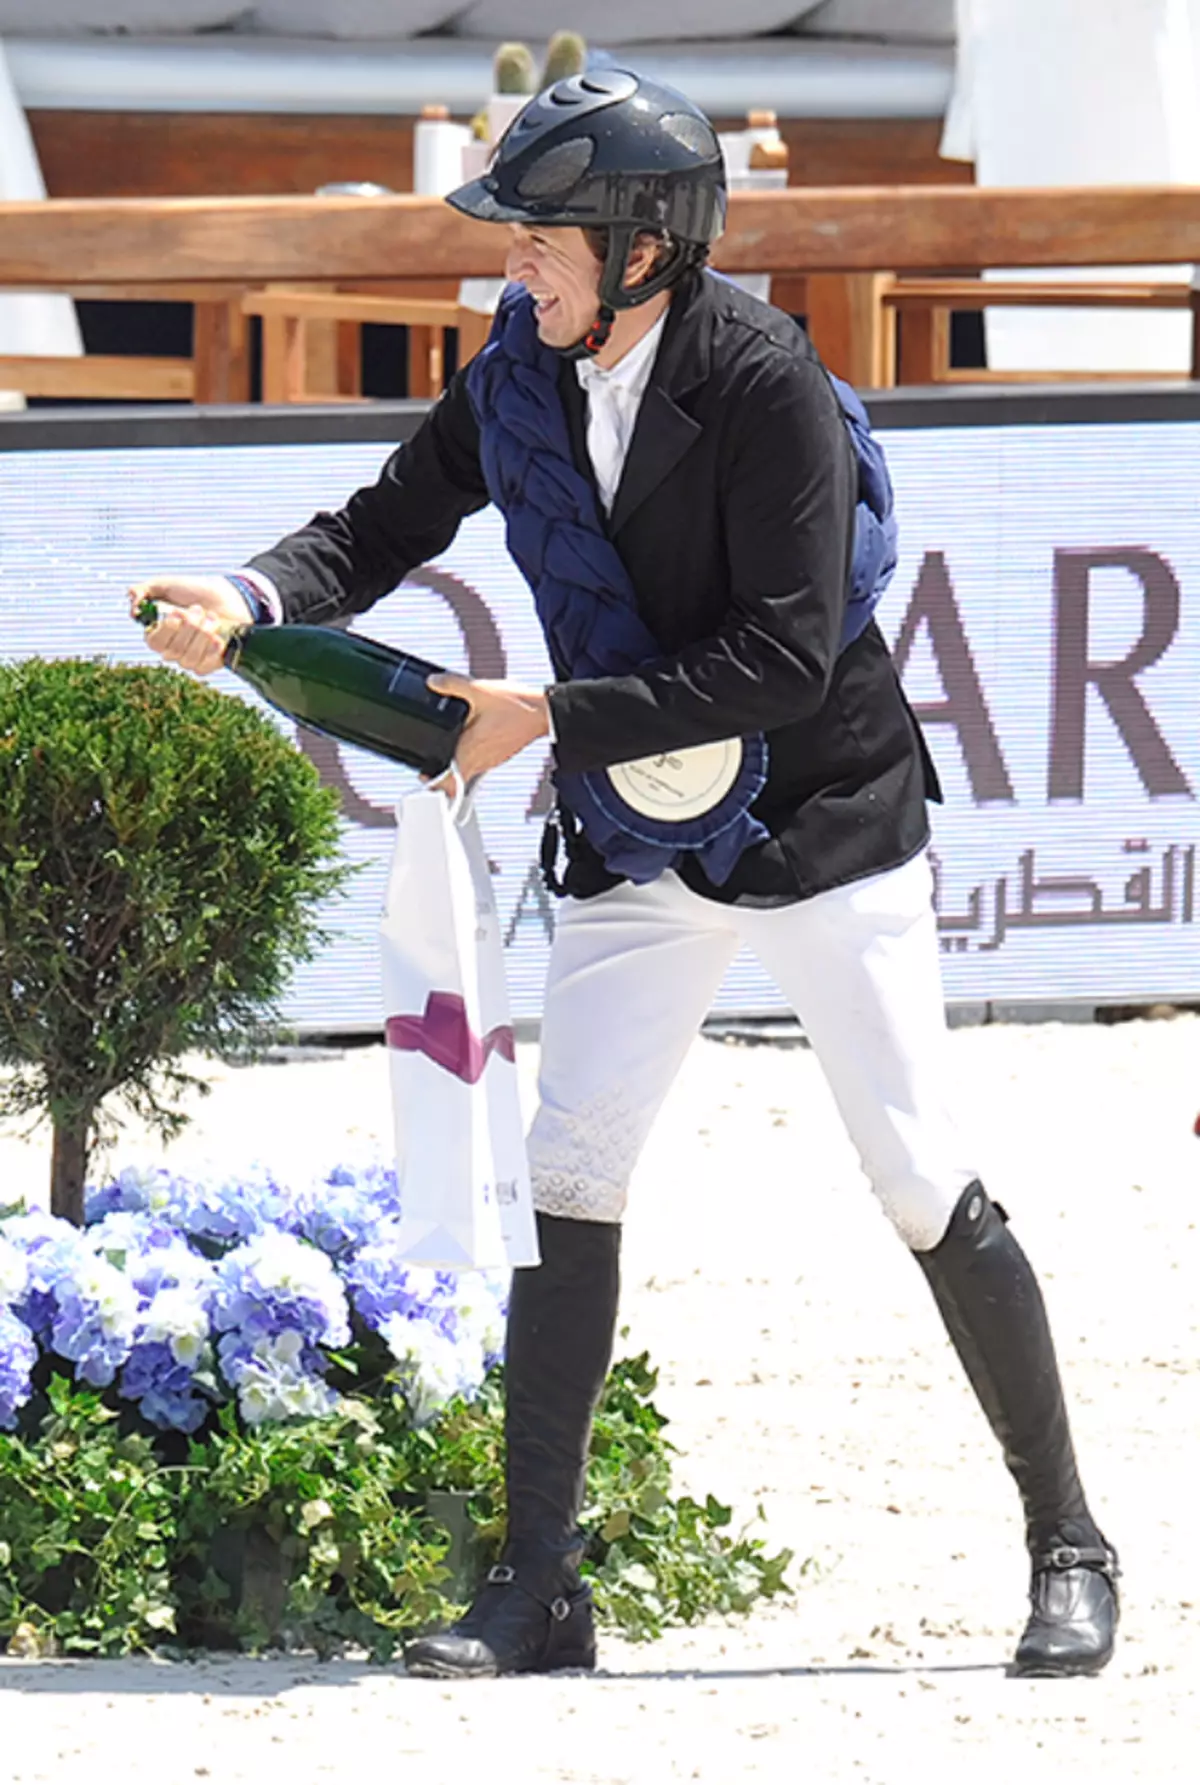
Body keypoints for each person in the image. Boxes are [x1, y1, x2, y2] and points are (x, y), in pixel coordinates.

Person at [131, 69, 1118, 1681]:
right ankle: (538, 1591)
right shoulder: (520, 368)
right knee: (570, 1172)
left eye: (538, 243)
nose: (512, 270)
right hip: (633, 831)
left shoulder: (763, 384)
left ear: (643, 248)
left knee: (918, 1173)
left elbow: (786, 660)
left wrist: (545, 717)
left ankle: (1070, 1543)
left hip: (819, 821)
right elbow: (384, 523)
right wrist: (243, 601)